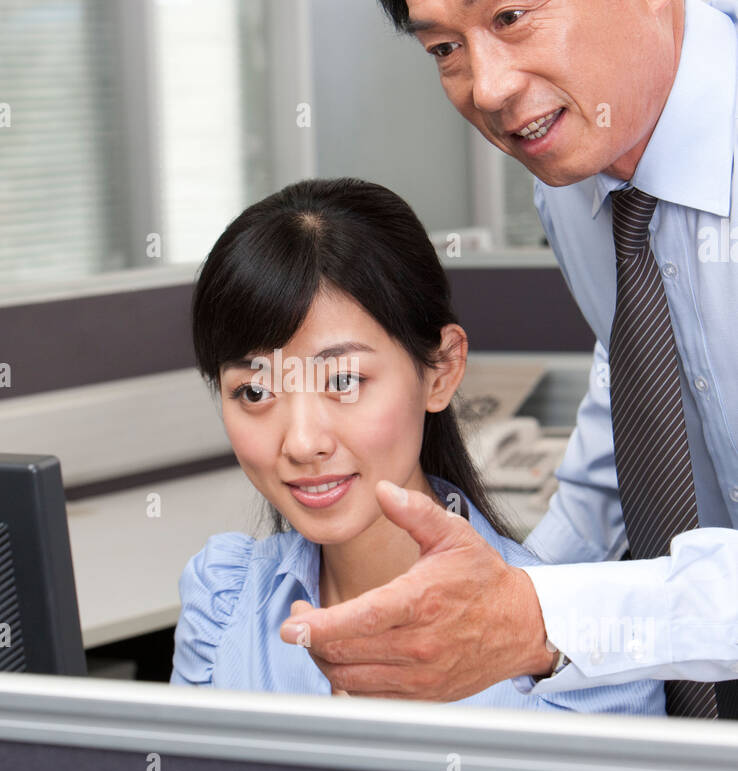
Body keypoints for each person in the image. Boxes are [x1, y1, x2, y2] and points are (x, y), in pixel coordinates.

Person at [276, 0, 738, 717]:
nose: (486, 87)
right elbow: (638, 381)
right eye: (444, 48)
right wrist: (508, 593)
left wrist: (540, 615)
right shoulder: (577, 170)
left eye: (510, 17)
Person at [172, 176, 663, 716]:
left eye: (344, 381)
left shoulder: (578, 658)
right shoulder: (222, 607)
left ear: (441, 370)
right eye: (255, 391)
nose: (303, 442)